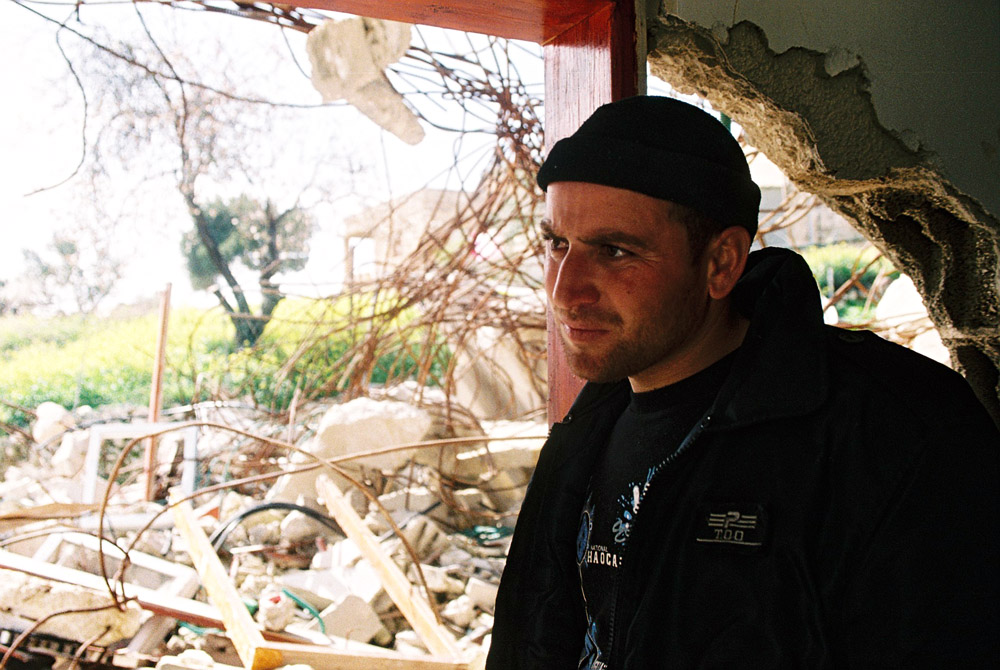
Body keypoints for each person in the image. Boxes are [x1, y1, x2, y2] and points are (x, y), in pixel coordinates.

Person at [486, 96, 999, 669]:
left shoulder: (892, 438)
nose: (564, 290)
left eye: (614, 251)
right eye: (557, 244)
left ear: (721, 263)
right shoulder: (586, 430)